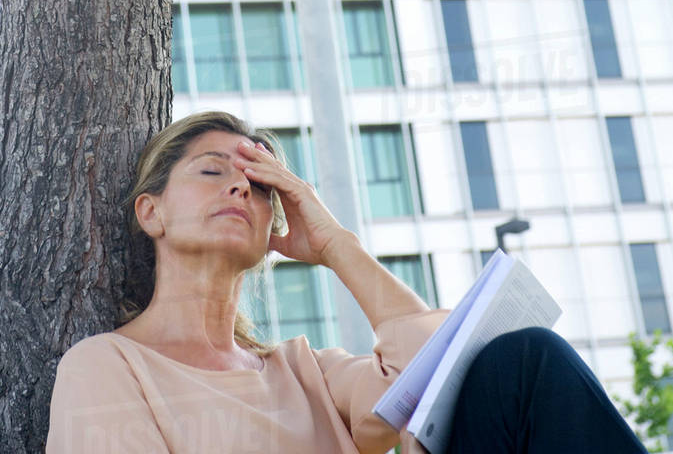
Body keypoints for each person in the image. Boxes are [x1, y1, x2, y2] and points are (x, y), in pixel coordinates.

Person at [46, 110, 648, 453]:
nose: (239, 188)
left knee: (525, 362)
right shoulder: (106, 365)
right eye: (212, 171)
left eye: (261, 186)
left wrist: (337, 247)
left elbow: (433, 378)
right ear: (151, 212)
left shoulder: (309, 372)